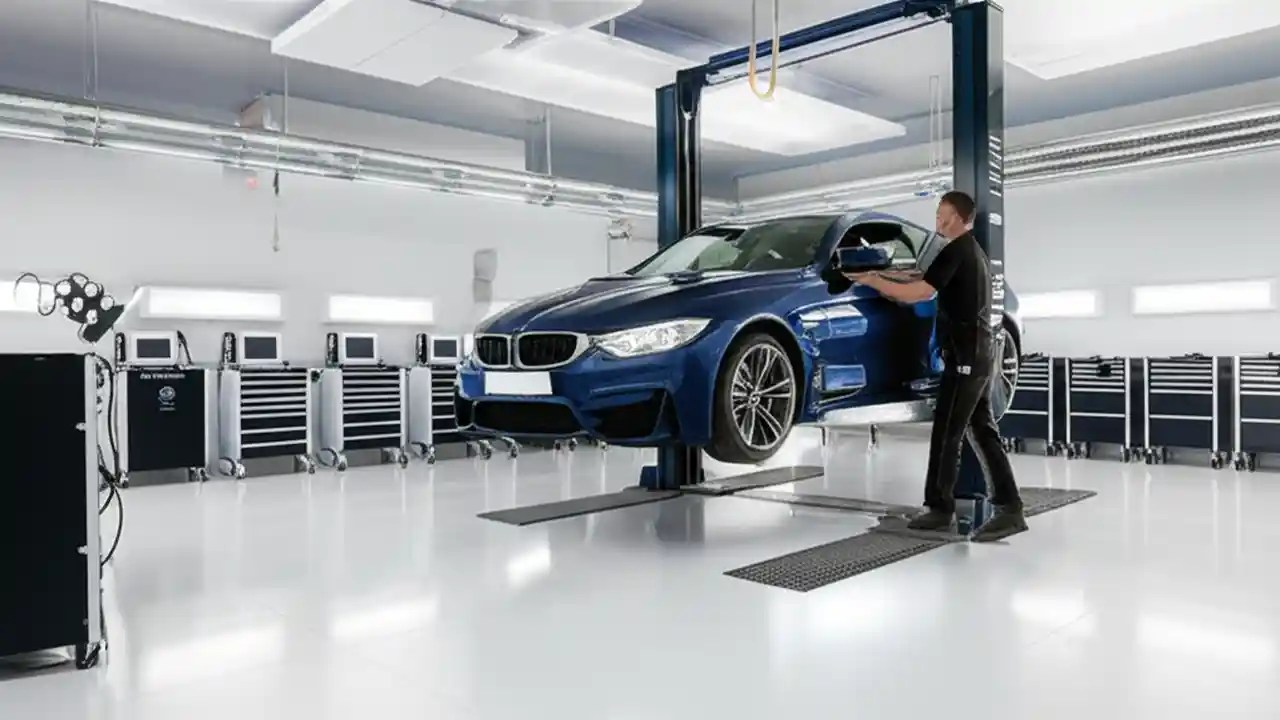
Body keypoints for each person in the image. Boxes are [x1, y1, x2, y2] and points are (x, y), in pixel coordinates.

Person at [844, 191, 1026, 542]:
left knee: (947, 433)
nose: (937, 220)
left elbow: (920, 292)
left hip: (966, 359)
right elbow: (919, 278)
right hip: (978, 355)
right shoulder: (970, 252)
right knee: (982, 430)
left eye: (942, 214)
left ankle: (940, 509)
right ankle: (1010, 508)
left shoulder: (957, 250)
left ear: (957, 218)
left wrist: (871, 281)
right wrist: (886, 279)